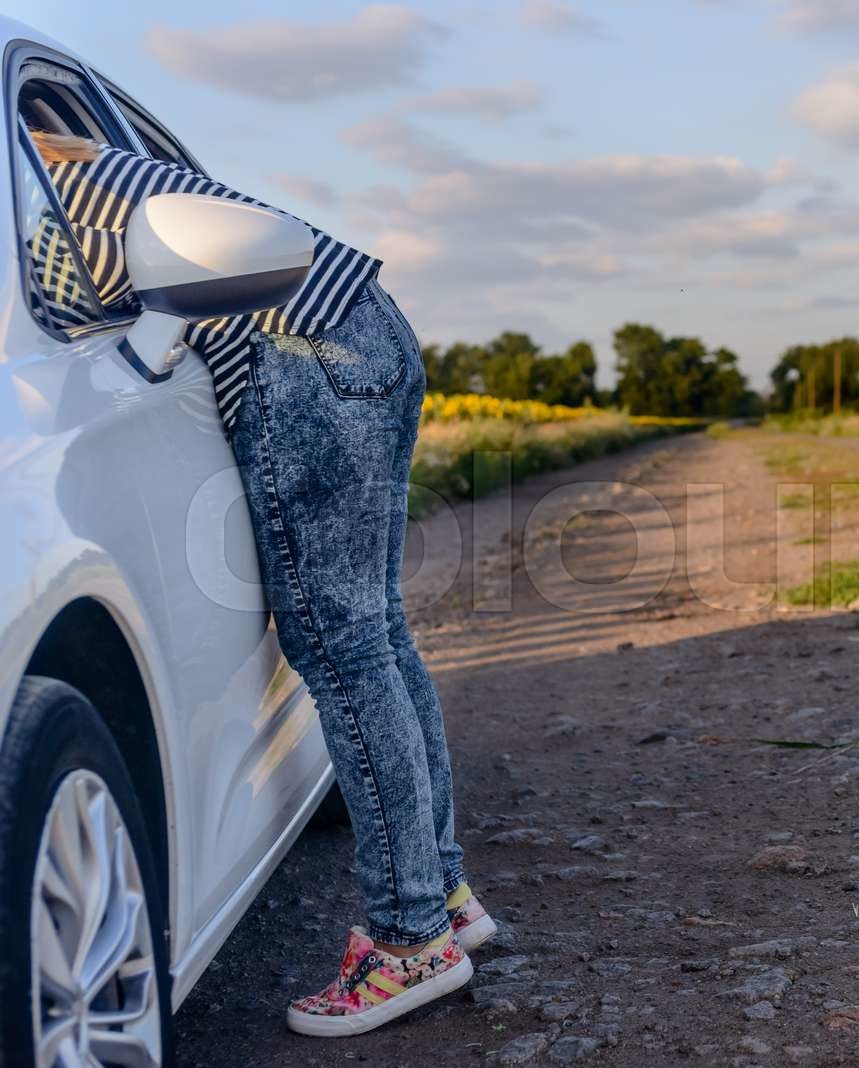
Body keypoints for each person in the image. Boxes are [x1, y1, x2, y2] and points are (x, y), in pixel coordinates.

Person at [27, 129, 497, 1038]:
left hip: (310, 356)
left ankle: (412, 942)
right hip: (358, 330)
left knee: (341, 640)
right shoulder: (73, 159)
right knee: (374, 632)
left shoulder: (36, 199)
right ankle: (442, 896)